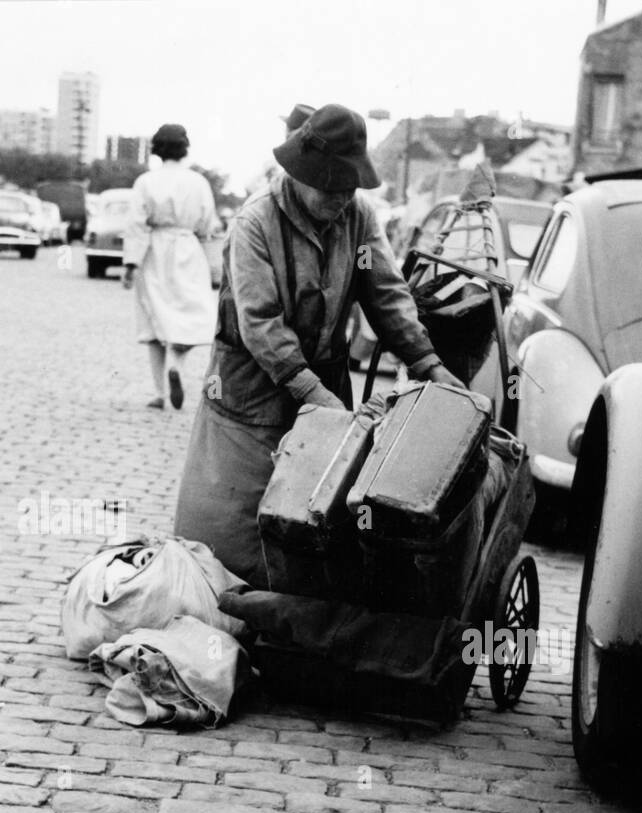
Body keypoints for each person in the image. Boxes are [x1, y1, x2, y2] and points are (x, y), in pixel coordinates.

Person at [173, 103, 463, 586]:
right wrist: (316, 397)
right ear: (299, 173)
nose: (340, 196)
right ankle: (231, 617)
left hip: (323, 377)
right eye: (330, 185)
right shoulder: (254, 224)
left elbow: (385, 293)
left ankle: (297, 630)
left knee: (317, 511)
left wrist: (428, 363)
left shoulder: (358, 216)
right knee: (236, 530)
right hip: (251, 388)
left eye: (348, 185)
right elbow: (261, 323)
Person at [123, 123, 220, 411]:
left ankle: (159, 393)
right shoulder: (198, 182)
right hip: (188, 249)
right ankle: (176, 364)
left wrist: (131, 263)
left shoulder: (146, 182)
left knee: (154, 319)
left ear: (156, 149)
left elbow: (136, 224)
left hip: (155, 250)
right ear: (185, 148)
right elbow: (207, 224)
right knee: (191, 317)